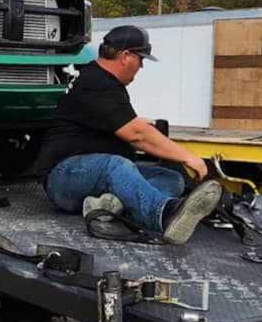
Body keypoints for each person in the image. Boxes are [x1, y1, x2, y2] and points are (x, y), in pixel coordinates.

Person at [32, 25, 223, 244]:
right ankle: (163, 215)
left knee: (172, 179)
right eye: (140, 58)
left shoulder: (103, 81)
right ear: (125, 56)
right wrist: (188, 157)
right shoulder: (97, 81)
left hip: (89, 177)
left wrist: (137, 122)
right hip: (63, 177)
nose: (141, 66)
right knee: (117, 166)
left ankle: (110, 207)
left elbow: (104, 119)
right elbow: (136, 135)